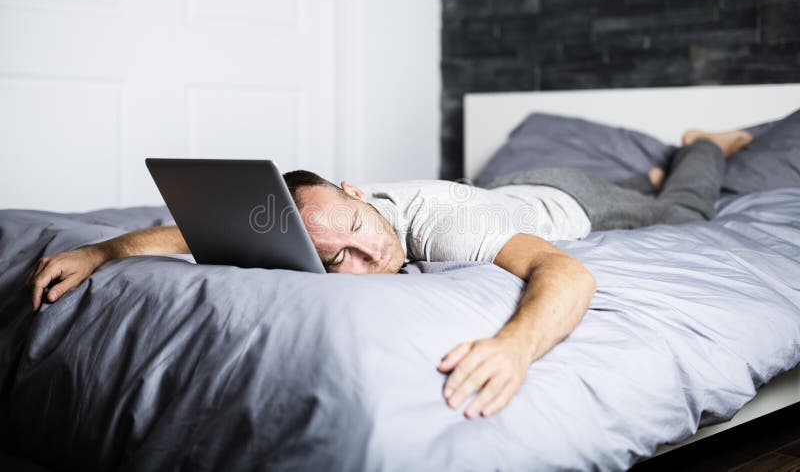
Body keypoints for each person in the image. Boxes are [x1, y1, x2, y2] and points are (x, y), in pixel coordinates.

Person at [27, 127, 753, 419]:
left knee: (682, 206)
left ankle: (699, 147)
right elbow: (204, 227)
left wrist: (514, 347)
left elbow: (565, 273)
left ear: (357, 193)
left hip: (571, 204)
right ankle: (652, 168)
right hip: (517, 188)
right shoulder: (330, 214)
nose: (368, 256)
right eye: (334, 258)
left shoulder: (447, 228)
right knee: (639, 185)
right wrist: (107, 251)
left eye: (359, 232)